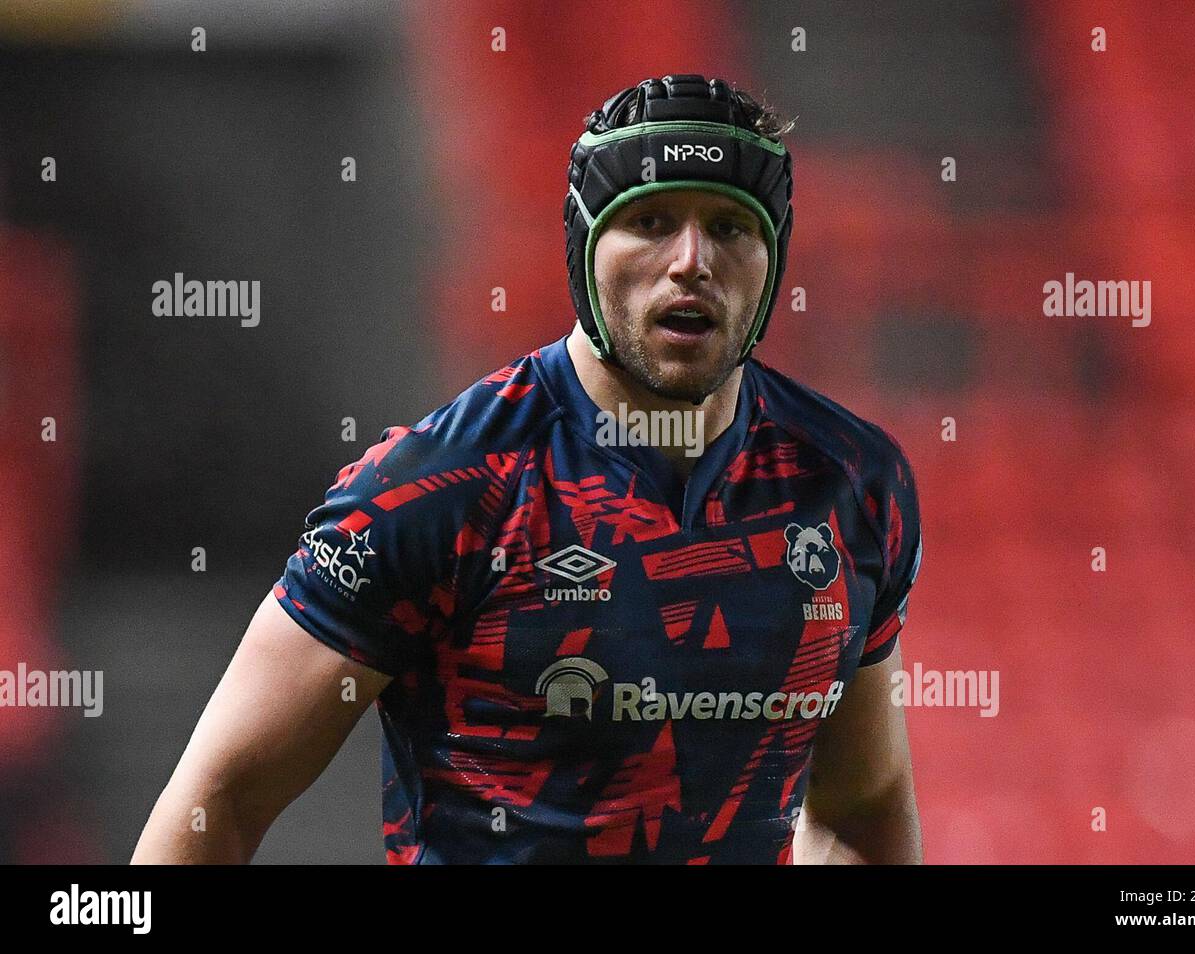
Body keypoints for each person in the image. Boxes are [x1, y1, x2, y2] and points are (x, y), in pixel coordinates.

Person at [133, 74, 923, 865]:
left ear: (772, 259)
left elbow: (862, 806)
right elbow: (217, 802)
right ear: (584, 247)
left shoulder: (854, 484)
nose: (692, 262)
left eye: (729, 228)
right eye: (650, 221)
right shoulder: (430, 490)